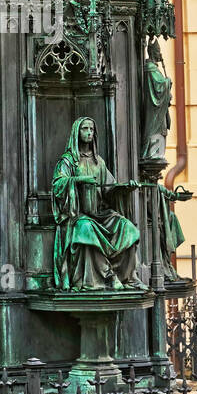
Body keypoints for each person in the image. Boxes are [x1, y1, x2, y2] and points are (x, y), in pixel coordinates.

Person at [51, 117, 142, 291]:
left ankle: (129, 277)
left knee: (128, 227)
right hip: (78, 215)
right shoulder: (68, 161)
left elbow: (109, 189)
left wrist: (125, 189)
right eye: (85, 129)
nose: (88, 133)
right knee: (85, 229)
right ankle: (108, 275)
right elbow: (57, 184)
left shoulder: (98, 162)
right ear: (77, 133)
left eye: (91, 130)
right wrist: (79, 180)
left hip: (100, 213)